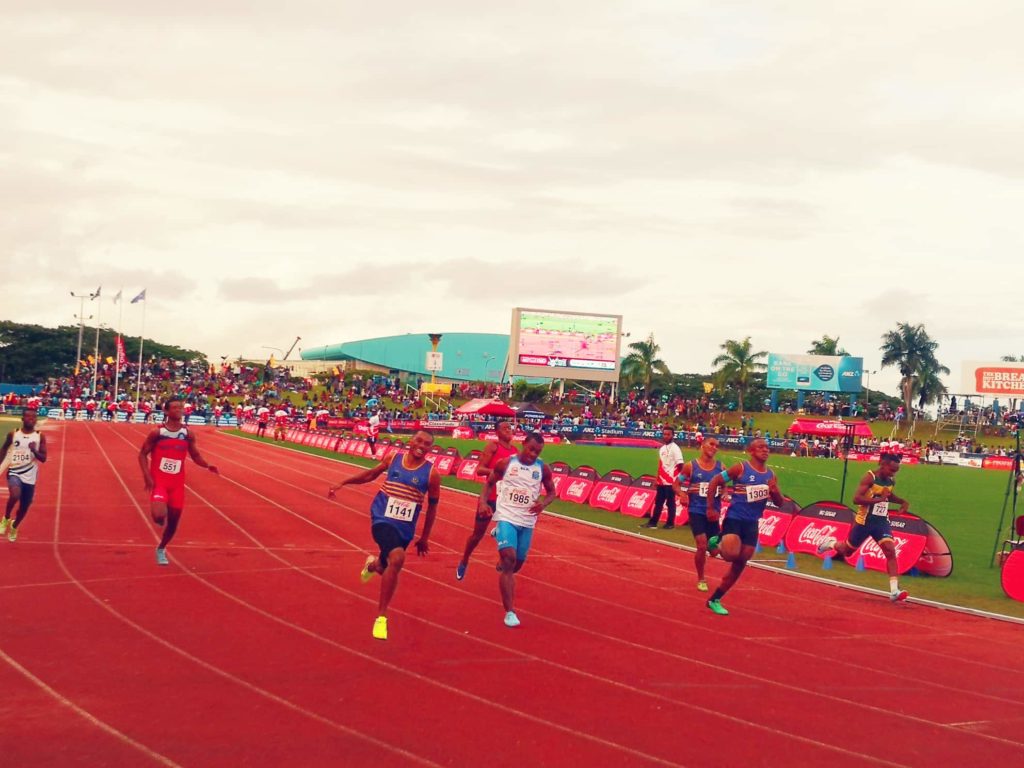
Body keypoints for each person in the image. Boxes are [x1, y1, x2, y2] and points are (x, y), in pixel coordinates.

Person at [328, 430, 440, 641]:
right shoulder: (393, 458)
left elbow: (433, 508)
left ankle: (373, 566)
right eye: (418, 440)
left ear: (430, 448)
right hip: (381, 516)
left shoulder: (432, 474)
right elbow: (371, 474)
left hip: (405, 527)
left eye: (426, 444)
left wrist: (425, 537)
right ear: (411, 441)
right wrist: (344, 482)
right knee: (397, 558)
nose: (421, 445)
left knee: (386, 564)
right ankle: (381, 617)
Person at [481, 432, 557, 628]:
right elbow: (489, 483)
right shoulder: (506, 464)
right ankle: (510, 612)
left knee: (516, 565)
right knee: (509, 560)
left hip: (527, 521)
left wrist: (543, 504)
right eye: (531, 449)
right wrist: (482, 503)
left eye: (537, 451)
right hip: (506, 516)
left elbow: (551, 492)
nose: (533, 454)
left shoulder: (543, 468)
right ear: (523, 444)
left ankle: (500, 537)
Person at [704, 438, 785, 615]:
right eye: (760, 447)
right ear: (751, 451)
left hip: (752, 523)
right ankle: (717, 541)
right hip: (735, 518)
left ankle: (715, 599)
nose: (765, 450)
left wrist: (775, 491)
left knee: (741, 562)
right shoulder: (740, 468)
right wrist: (710, 507)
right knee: (731, 555)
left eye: (767, 447)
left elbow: (779, 503)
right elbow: (715, 481)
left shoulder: (771, 475)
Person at [817, 453, 911, 602]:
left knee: (890, 551)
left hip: (881, 522)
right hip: (864, 522)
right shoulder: (869, 477)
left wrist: (901, 501)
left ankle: (894, 591)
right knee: (847, 551)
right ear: (883, 464)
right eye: (892, 470)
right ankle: (831, 543)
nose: (893, 473)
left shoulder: (891, 480)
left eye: (896, 470)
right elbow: (856, 499)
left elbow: (889, 495)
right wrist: (880, 498)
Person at [138, 398, 219, 566]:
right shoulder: (157, 433)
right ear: (166, 412)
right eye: (175, 408)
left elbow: (195, 455)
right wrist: (147, 476)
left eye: (181, 407)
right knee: (159, 516)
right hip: (160, 482)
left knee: (173, 522)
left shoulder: (187, 434)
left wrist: (207, 465)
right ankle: (160, 515)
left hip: (177, 485)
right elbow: (142, 454)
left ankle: (161, 548)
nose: (179, 410)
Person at [456, 420, 516, 580]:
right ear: (497, 432)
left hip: (507, 500)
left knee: (511, 533)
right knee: (477, 535)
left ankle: (503, 558)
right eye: (504, 428)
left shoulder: (516, 451)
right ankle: (464, 559)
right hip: (490, 497)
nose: (508, 430)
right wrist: (497, 471)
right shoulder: (493, 447)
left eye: (510, 427)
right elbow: (479, 470)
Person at [673, 436, 722, 592]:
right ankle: (701, 578)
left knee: (714, 551)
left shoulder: (721, 467)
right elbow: (676, 484)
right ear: (702, 445)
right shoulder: (691, 466)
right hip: (696, 510)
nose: (714, 448)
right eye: (711, 444)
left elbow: (725, 486)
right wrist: (682, 494)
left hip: (713, 512)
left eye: (717, 446)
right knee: (701, 545)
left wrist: (726, 494)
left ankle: (711, 546)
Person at [0, 408, 48, 542]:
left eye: (33, 417)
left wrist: (34, 450)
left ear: (36, 420)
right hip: (14, 471)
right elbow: (4, 448)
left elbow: (43, 458)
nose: (31, 419)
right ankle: (6, 517)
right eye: (28, 417)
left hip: (30, 476)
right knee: (14, 494)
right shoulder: (13, 434)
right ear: (22, 419)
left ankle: (14, 526)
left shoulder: (39, 436)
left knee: (24, 507)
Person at [644, 427, 683, 529]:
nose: (666, 436)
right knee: (658, 503)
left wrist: (679, 480)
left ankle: (670, 523)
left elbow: (680, 465)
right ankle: (653, 522)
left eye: (668, 434)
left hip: (671, 482)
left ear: (672, 435)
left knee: (670, 503)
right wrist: (657, 479)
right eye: (664, 434)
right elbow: (661, 465)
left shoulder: (675, 449)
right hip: (661, 481)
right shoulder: (661, 449)